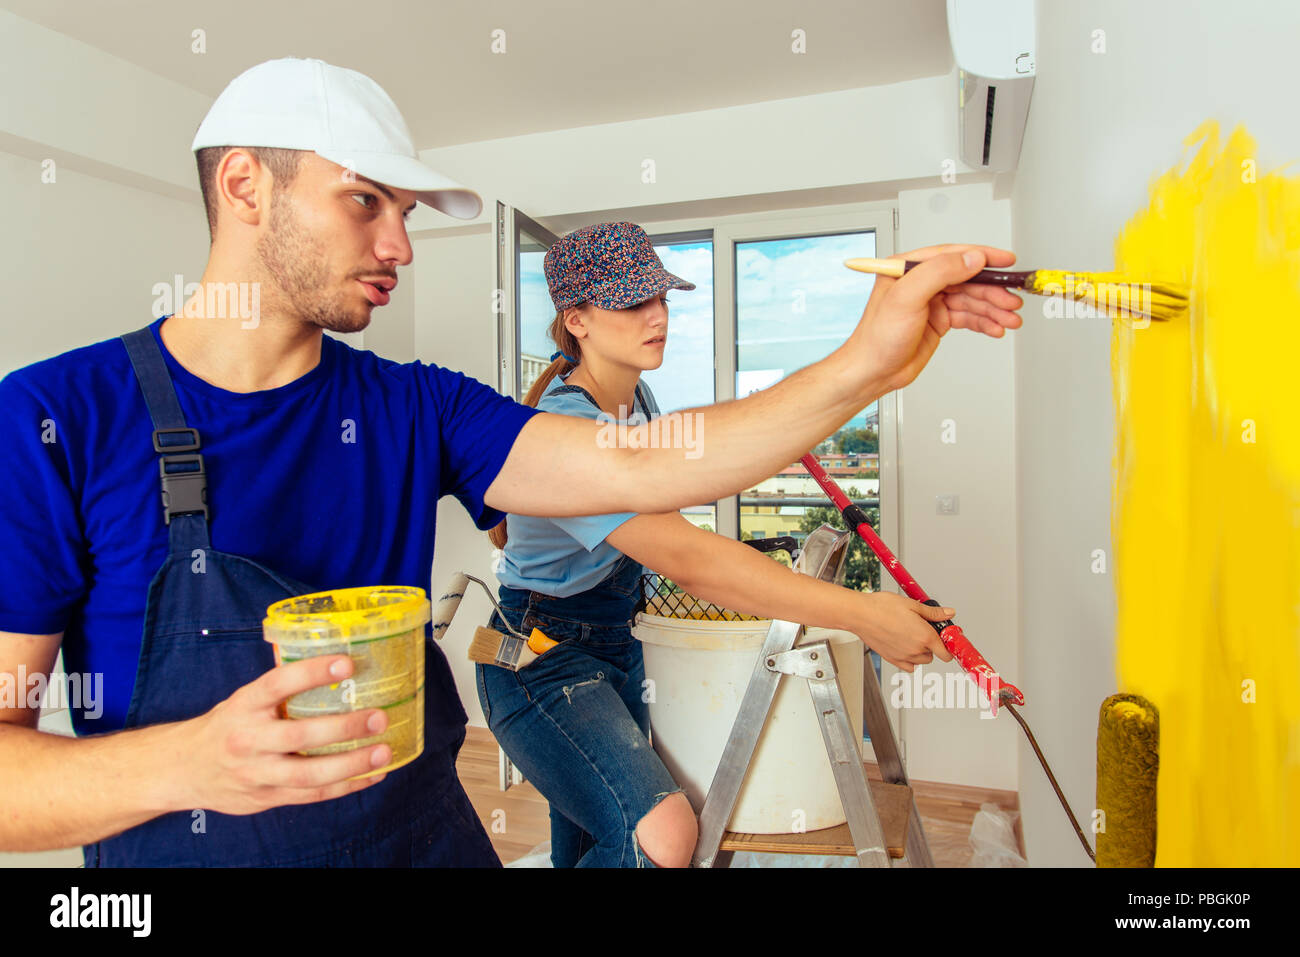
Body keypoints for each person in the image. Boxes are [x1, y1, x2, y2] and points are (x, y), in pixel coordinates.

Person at [0, 58, 1023, 867]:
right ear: (244, 186)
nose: (401, 244)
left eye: (405, 212)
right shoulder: (54, 418)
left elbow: (651, 471)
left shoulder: (416, 405)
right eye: (368, 203)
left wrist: (866, 364)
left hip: (422, 840)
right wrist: (186, 761)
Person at [478, 222, 970, 868]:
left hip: (617, 642)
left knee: (590, 845)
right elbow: (687, 556)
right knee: (661, 836)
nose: (658, 315)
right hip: (540, 661)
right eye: (634, 302)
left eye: (661, 296)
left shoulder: (641, 399)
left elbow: (695, 481)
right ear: (577, 319)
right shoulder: (570, 424)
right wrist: (863, 613)